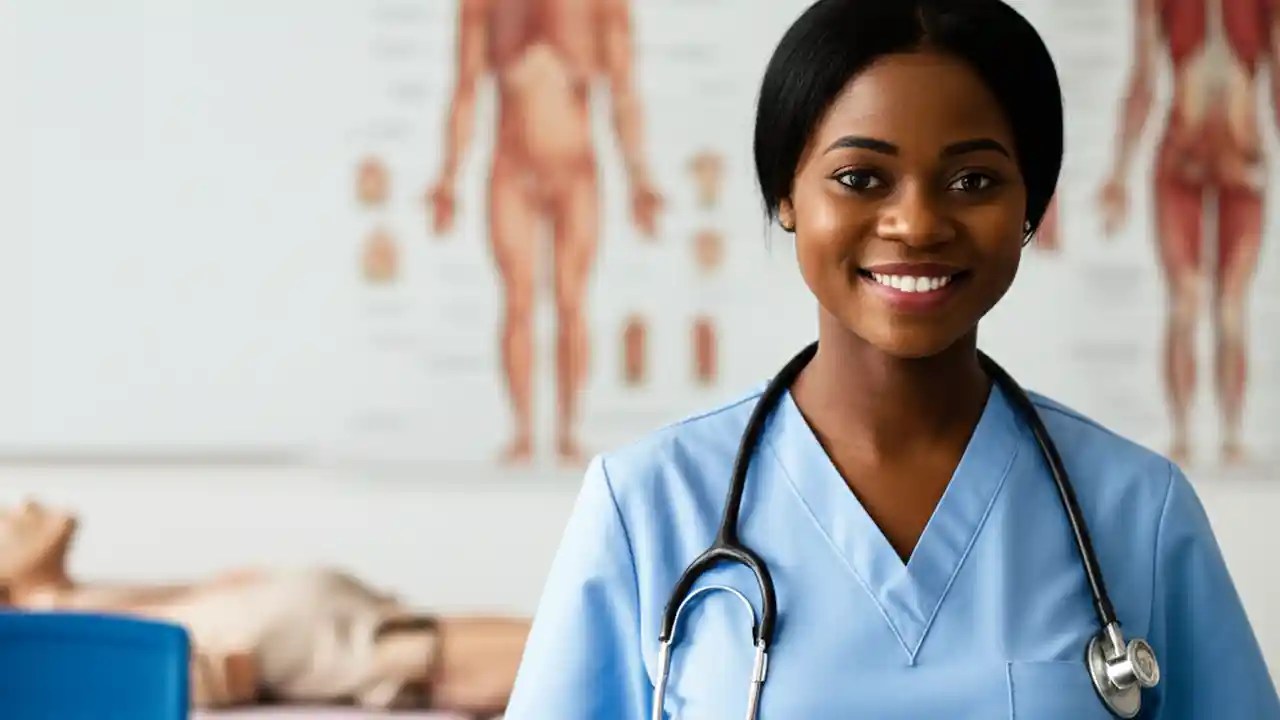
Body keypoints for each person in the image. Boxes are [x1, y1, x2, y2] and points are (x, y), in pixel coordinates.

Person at [503, 1, 1280, 717]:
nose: (915, 222)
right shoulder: (648, 508)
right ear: (785, 195)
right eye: (860, 178)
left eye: (973, 180)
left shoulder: (1139, 513)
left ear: (1030, 208)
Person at [0, 498, 529, 717]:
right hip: (384, 655)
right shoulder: (49, 639)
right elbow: (178, 677)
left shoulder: (84, 598)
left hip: (373, 624)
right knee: (587, 651)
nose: (22, 506)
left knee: (574, 626)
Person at [426, 0, 663, 467]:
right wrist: (448, 178)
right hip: (512, 168)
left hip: (576, 172)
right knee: (518, 301)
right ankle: (523, 432)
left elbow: (622, 91)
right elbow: (466, 90)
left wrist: (639, 178)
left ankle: (567, 431)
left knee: (571, 301)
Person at [1098, 0, 1273, 466]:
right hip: (1182, 158)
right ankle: (1184, 435)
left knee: (1231, 305)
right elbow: (1144, 81)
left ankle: (1232, 434)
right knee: (1186, 300)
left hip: (1243, 159)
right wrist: (1118, 173)